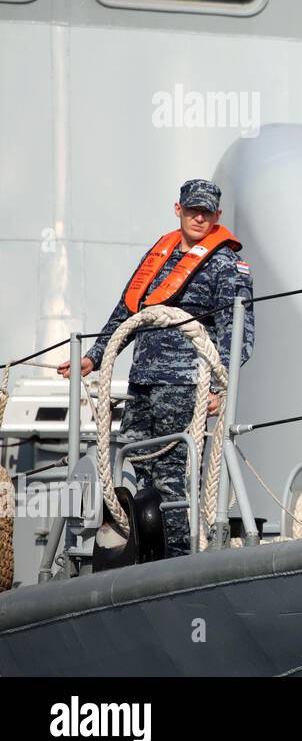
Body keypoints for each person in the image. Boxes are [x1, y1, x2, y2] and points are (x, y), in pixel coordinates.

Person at [59, 180, 254, 557]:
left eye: (207, 212)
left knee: (174, 476)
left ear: (218, 216)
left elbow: (239, 334)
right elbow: (127, 310)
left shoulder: (226, 265)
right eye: (192, 210)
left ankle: (179, 558)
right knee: (139, 464)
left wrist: (221, 388)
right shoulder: (161, 255)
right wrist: (94, 356)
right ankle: (147, 554)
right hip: (143, 383)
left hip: (184, 386)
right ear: (177, 209)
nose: (199, 217)